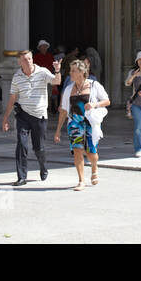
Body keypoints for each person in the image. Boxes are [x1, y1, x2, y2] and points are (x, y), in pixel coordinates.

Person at [1, 49, 62, 186]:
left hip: (39, 116)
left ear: (32, 59)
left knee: (38, 148)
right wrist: (6, 118)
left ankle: (43, 166)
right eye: (24, 60)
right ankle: (22, 177)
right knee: (21, 145)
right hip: (23, 115)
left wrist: (57, 70)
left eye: (29, 59)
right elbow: (13, 97)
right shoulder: (17, 76)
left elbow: (56, 82)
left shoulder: (42, 72)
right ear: (19, 62)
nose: (27, 62)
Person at [54, 59, 110, 190]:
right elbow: (63, 110)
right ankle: (81, 180)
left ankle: (94, 168)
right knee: (77, 150)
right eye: (70, 70)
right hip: (74, 123)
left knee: (91, 152)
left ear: (81, 72)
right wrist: (57, 131)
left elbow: (107, 101)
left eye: (73, 71)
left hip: (90, 123)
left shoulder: (94, 85)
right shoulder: (68, 89)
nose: (70, 73)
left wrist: (95, 104)